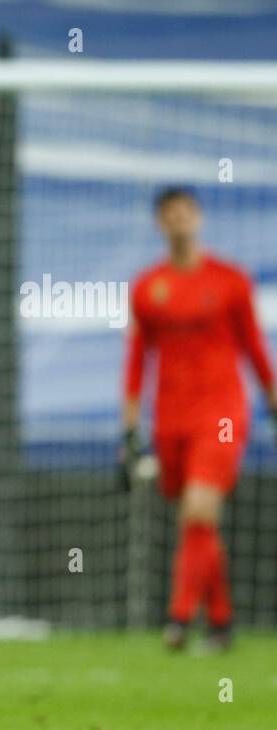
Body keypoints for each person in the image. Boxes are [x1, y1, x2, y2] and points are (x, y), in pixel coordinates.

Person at [123, 187, 276, 653]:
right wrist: (130, 427)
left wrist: (272, 401)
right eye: (169, 215)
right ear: (159, 224)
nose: (179, 221)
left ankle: (179, 618)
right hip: (170, 419)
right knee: (199, 524)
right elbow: (136, 360)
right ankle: (223, 622)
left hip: (223, 413)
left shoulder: (231, 280)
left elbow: (254, 347)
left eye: (186, 213)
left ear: (199, 218)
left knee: (199, 510)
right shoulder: (149, 287)